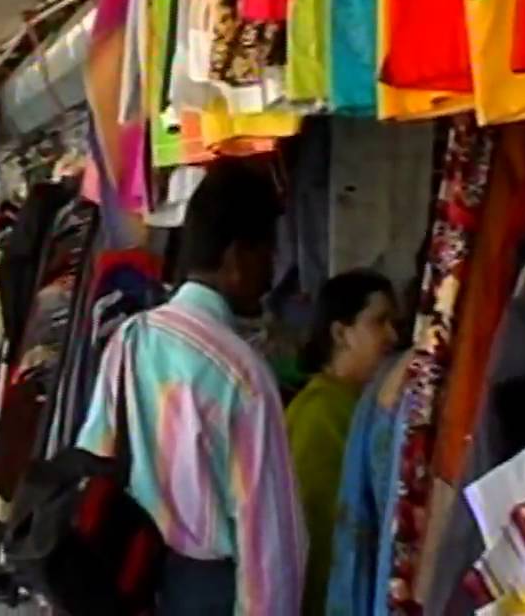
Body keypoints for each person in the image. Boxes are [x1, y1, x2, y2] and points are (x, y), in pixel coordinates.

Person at [76, 160, 307, 615]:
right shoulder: (241, 374)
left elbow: (93, 457)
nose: (270, 272)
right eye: (267, 253)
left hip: (128, 569)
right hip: (204, 588)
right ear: (237, 256)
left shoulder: (130, 339)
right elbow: (268, 540)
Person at [286, 269, 398, 616]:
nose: (393, 336)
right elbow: (319, 543)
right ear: (340, 333)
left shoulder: (366, 405)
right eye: (380, 322)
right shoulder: (319, 414)